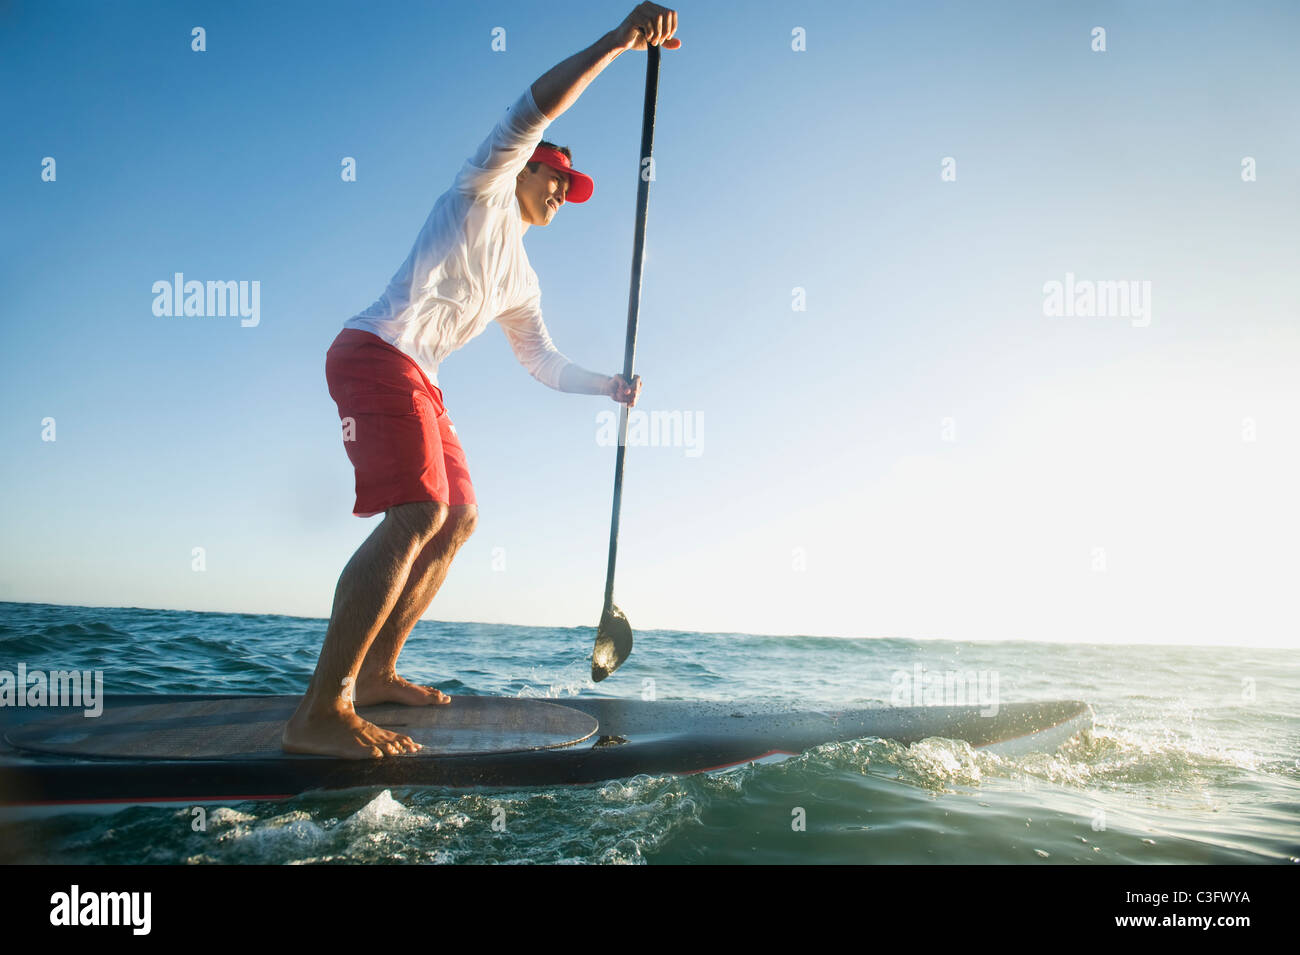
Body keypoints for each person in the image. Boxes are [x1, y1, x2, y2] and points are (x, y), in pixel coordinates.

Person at [283, 4, 680, 758]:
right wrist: (621, 41)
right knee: (418, 510)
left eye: (572, 186)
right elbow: (538, 104)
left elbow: (541, 360)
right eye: (556, 175)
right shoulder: (484, 187)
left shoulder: (522, 280)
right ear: (527, 166)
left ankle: (374, 673)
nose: (563, 189)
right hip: (374, 350)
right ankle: (319, 711)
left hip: (419, 375)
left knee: (458, 515)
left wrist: (609, 386)